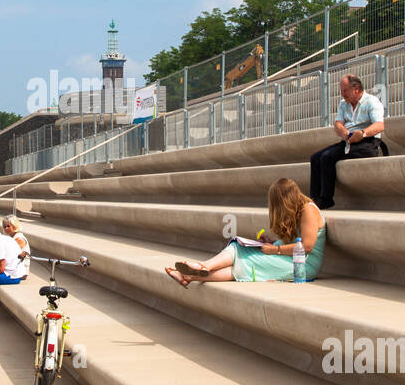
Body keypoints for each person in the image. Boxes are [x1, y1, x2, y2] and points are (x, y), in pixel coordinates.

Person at [165, 178, 325, 286]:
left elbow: (306, 247)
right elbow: (293, 241)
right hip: (291, 258)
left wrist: (275, 249)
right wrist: (271, 242)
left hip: (304, 266)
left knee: (246, 262)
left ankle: (193, 274)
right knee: (237, 246)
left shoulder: (308, 210)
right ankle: (201, 268)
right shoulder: (298, 210)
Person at [308, 74, 386, 210]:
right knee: (315, 157)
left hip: (367, 142)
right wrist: (342, 131)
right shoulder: (343, 103)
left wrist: (362, 133)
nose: (342, 94)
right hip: (349, 140)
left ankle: (326, 199)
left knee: (327, 157)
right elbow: (338, 123)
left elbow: (379, 125)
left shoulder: (372, 101)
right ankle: (314, 200)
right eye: (341, 91)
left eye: (345, 90)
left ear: (356, 89)